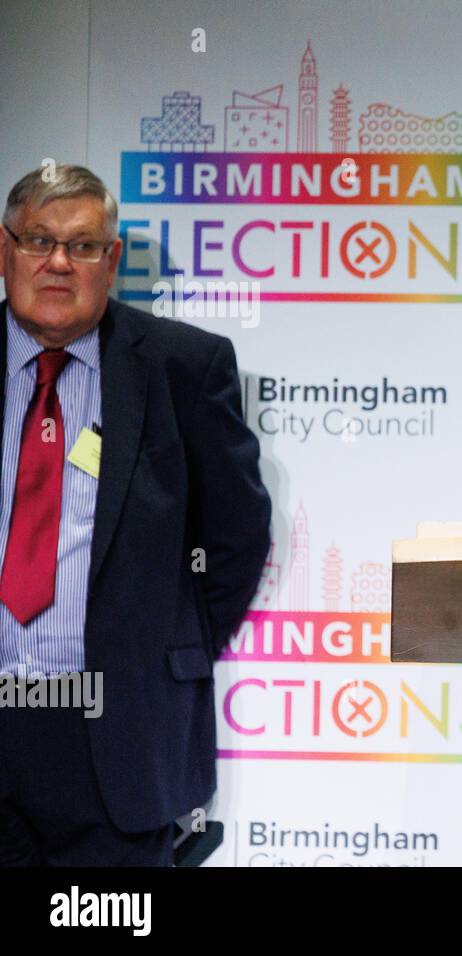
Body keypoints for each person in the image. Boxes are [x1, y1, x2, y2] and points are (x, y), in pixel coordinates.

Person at [0, 164, 271, 865]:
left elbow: (235, 537)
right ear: (5, 249)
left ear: (112, 259)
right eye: (39, 240)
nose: (59, 261)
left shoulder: (185, 366)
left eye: (83, 246)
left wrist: (160, 655)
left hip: (114, 736)